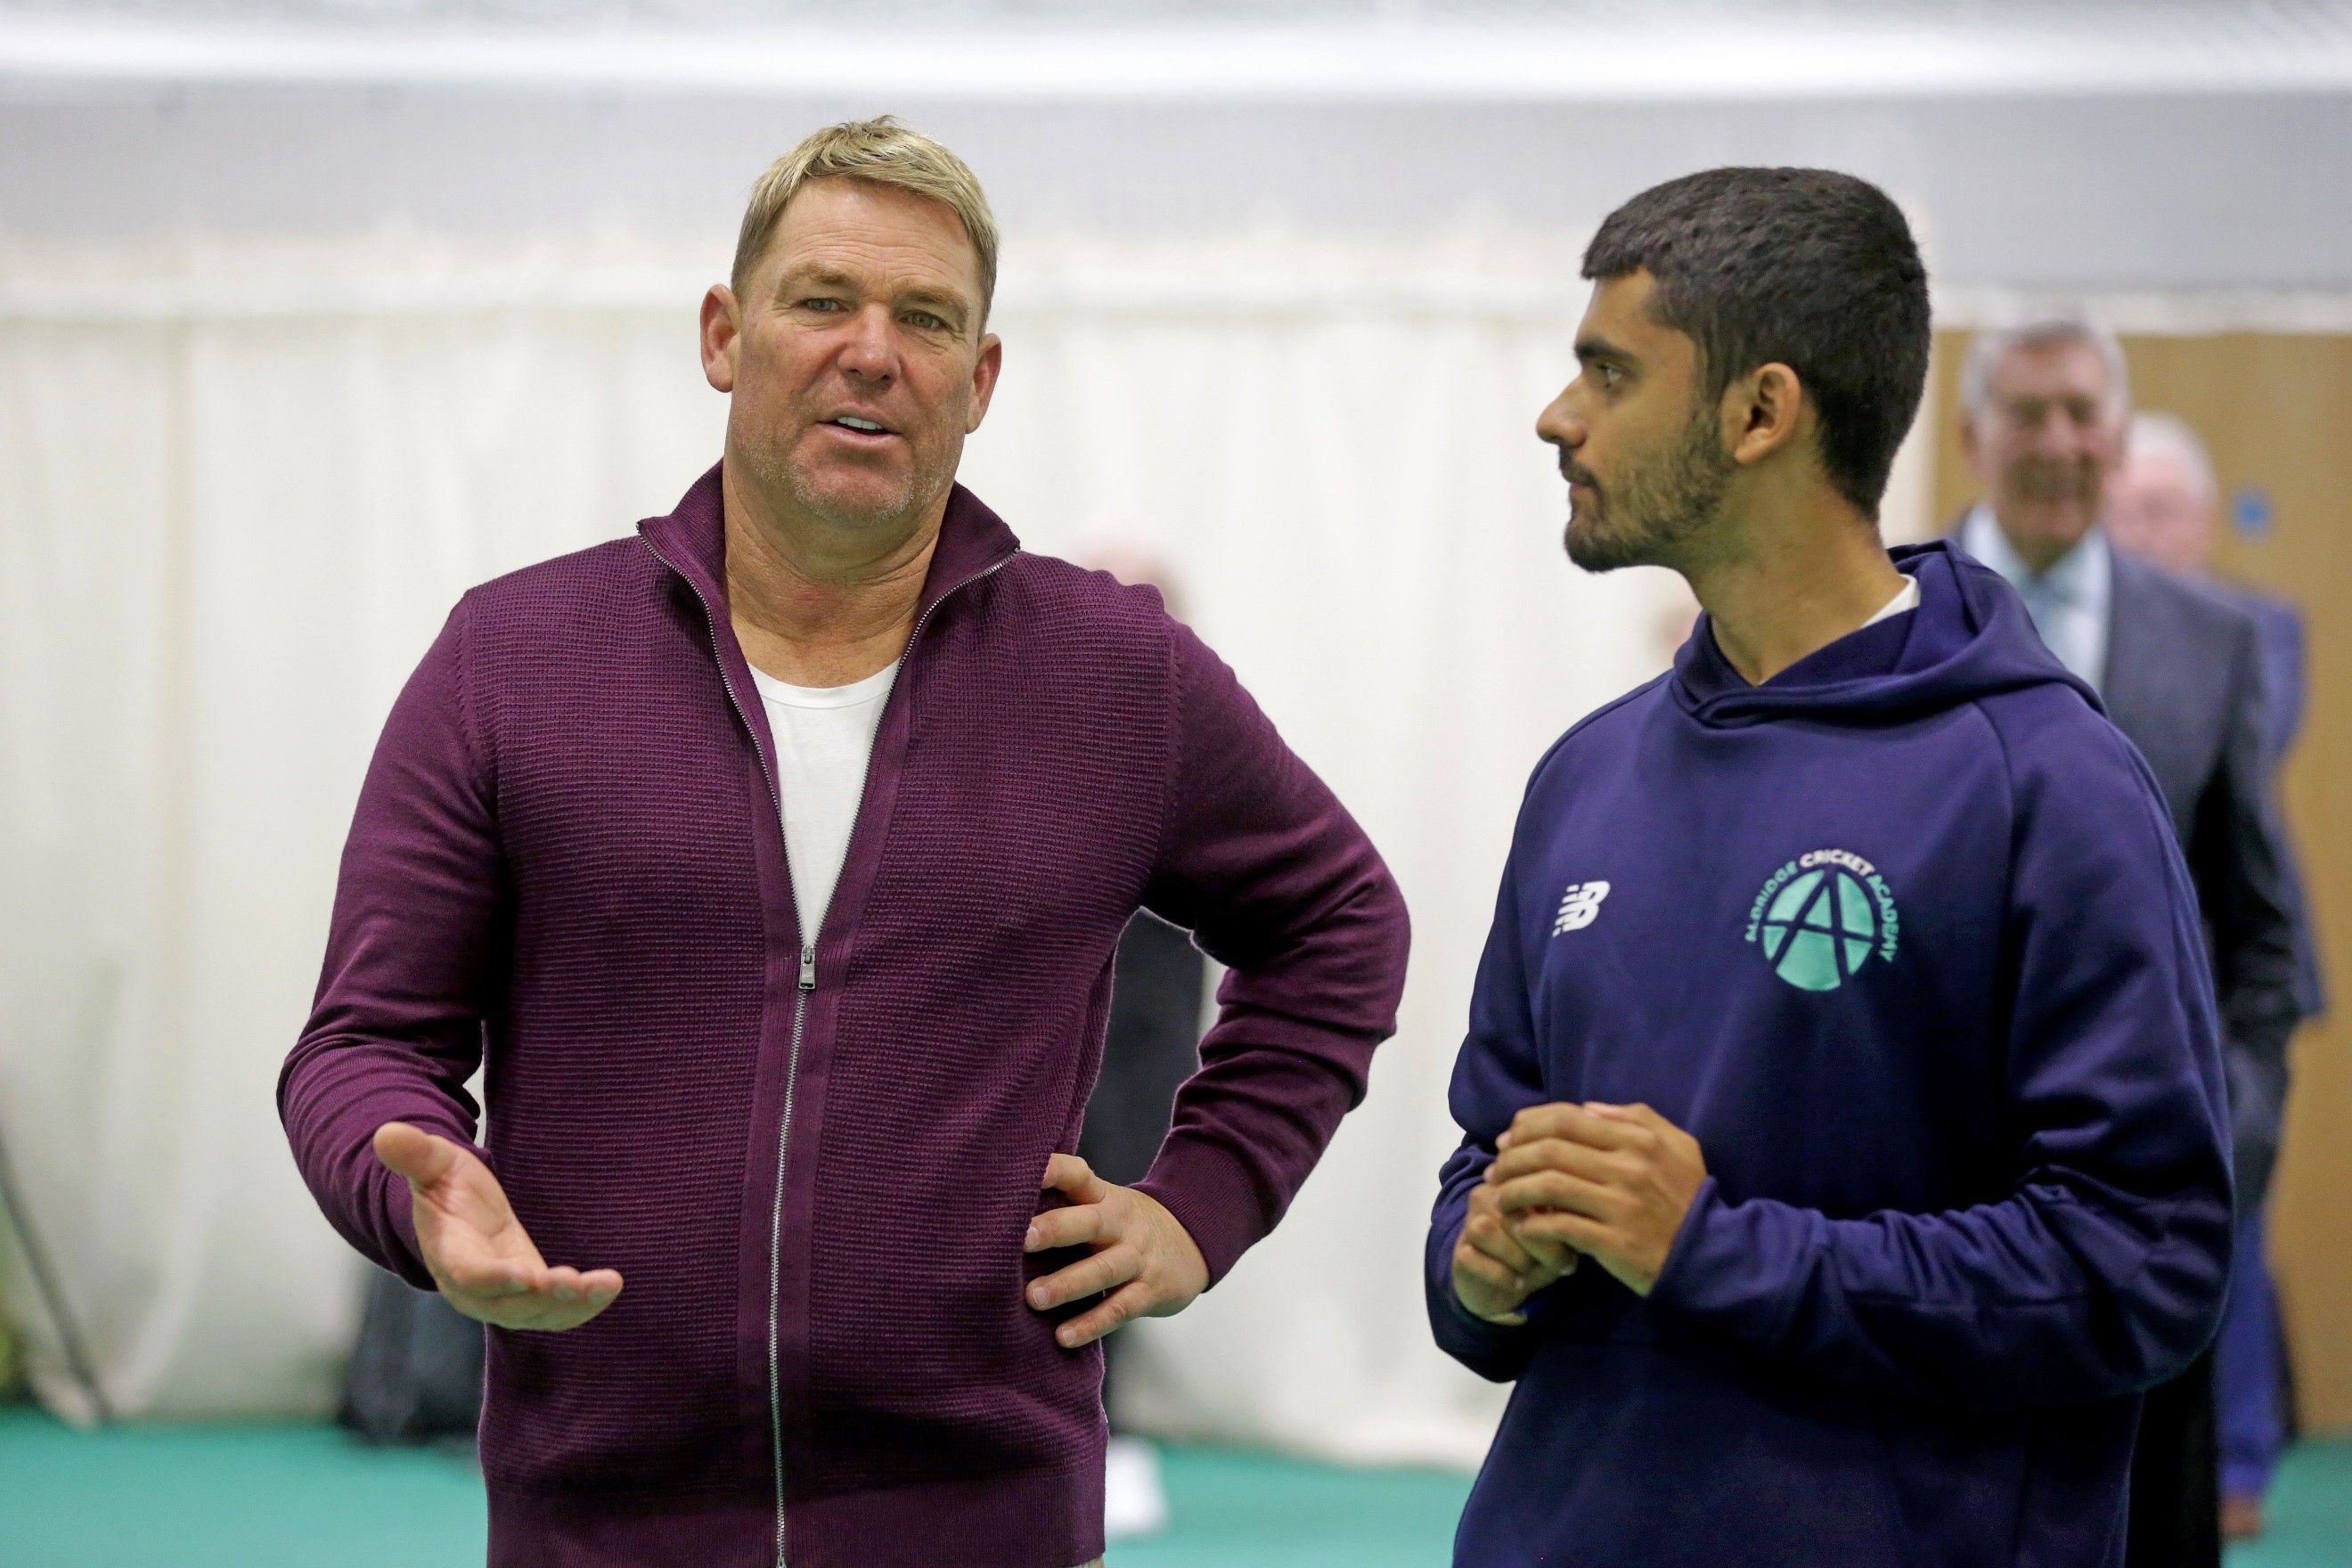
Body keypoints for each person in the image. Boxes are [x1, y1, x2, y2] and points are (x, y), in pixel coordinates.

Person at [279, 117, 1409, 1568]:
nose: (872, 352)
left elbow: (1340, 925)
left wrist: (1204, 1200)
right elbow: (362, 1042)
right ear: (724, 336)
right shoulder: (515, 659)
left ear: (979, 380)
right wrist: (412, 1187)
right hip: (597, 1521)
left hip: (987, 1521)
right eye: (822, 301)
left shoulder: (1117, 679)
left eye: (925, 319)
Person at [1426, 167, 2232, 1568]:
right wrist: (1481, 1267)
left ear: (1761, 413)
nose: (1560, 416)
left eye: (1610, 373)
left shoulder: (2047, 783)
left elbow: (2141, 1264)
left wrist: (1716, 1247)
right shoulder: (1585, 777)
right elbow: (1483, 1161)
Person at [1956, 316, 2309, 1568]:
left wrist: (2233, 1138)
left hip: (2149, 1222)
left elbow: (2263, 934)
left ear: (2116, 435)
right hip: (1929, 1227)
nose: (2059, 442)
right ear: (1972, 436)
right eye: (2029, 413)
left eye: (2082, 413)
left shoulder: (2214, 642)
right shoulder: (1887, 613)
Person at [2109, 410, 2327, 1542]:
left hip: (2233, 984)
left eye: (2162, 510)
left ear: (2201, 520)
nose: (2143, 531)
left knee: (2235, 1234)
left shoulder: (2254, 629)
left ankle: (2239, 1463)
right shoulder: (2085, 625)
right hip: (2119, 989)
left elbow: (2234, 741)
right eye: (2128, 510)